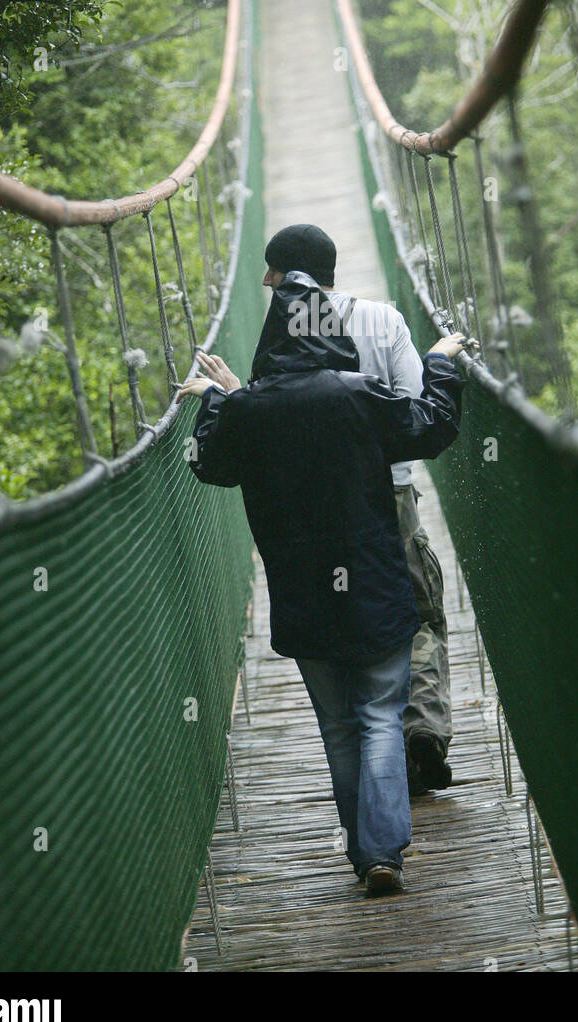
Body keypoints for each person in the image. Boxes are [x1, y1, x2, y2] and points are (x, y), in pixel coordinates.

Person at [178, 267, 466, 896]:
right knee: (381, 715)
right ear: (329, 329)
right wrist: (441, 362)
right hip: (375, 584)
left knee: (339, 727)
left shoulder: (250, 409)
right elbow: (433, 428)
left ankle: (364, 854)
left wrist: (218, 402)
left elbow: (211, 465)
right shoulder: (359, 393)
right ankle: (383, 852)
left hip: (301, 594)